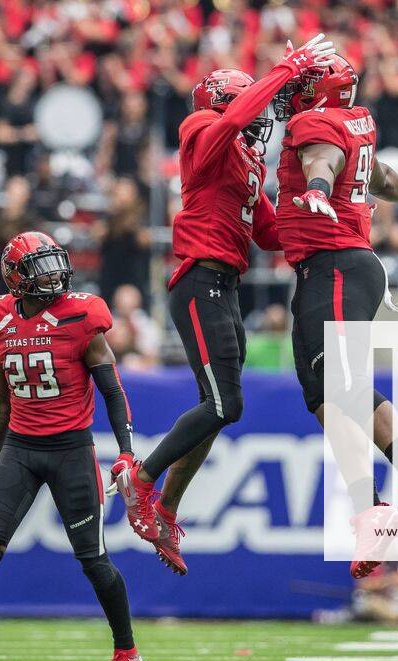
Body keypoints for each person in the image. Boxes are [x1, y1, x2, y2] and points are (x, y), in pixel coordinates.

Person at [116, 34, 337, 577]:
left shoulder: (243, 164)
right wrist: (285, 71)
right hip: (198, 281)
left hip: (224, 286)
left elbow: (271, 234)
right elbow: (234, 120)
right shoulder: (201, 129)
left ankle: (166, 507)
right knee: (222, 404)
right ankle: (141, 480)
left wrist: (337, 212)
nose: (264, 122)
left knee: (220, 408)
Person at [270, 55, 398, 578]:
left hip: (336, 268)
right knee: (325, 399)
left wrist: (317, 190)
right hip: (327, 271)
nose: (294, 95)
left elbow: (322, 163)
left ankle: (395, 496)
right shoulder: (358, 120)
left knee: (341, 390)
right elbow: (381, 175)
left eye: (303, 86)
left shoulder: (318, 125)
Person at [0, 232, 142, 661]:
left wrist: (125, 450)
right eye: (39, 267)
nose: (53, 273)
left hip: (71, 450)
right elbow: (0, 400)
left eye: (53, 262)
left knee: (94, 558)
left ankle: (127, 652)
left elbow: (112, 390)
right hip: (20, 449)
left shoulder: (81, 315)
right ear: (15, 277)